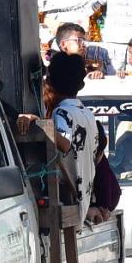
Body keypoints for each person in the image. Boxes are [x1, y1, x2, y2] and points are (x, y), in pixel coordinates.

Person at [16, 52, 100, 222]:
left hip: (70, 195)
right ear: (81, 84)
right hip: (84, 195)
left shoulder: (62, 112)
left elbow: (64, 144)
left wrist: (39, 122)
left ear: (50, 82)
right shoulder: (87, 113)